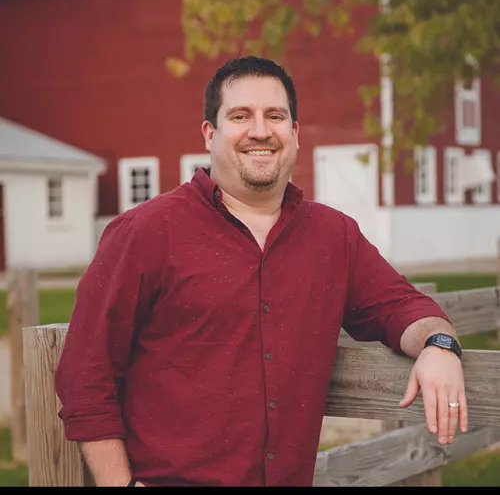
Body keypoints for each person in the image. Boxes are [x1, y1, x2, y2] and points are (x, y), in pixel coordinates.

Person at [54, 56, 467, 487]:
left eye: (275, 116)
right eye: (240, 116)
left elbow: (399, 306)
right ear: (209, 133)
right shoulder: (145, 233)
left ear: (294, 133)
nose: (259, 131)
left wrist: (439, 345)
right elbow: (86, 374)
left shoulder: (333, 236)